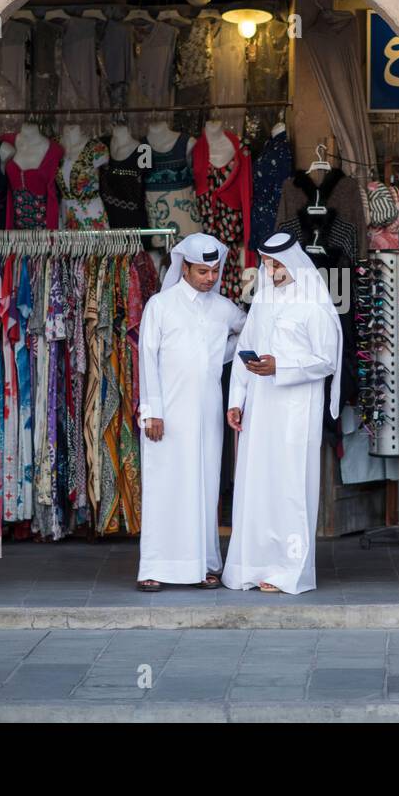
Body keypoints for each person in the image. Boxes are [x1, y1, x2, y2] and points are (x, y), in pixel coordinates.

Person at [222, 232, 342, 594]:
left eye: (277, 264)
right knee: (256, 486)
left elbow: (326, 360)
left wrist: (281, 366)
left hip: (295, 411)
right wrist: (236, 401)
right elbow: (245, 348)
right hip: (260, 410)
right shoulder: (262, 302)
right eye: (268, 264)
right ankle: (252, 566)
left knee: (289, 488)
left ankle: (287, 569)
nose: (272, 272)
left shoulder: (314, 305)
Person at [136, 233, 247, 591]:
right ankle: (155, 566)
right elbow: (146, 359)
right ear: (185, 267)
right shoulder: (161, 305)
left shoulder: (223, 308)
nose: (210, 278)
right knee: (164, 487)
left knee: (205, 485)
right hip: (165, 415)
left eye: (215, 271)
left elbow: (247, 333)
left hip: (207, 413)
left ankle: (205, 564)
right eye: (203, 271)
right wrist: (151, 410)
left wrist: (221, 354)